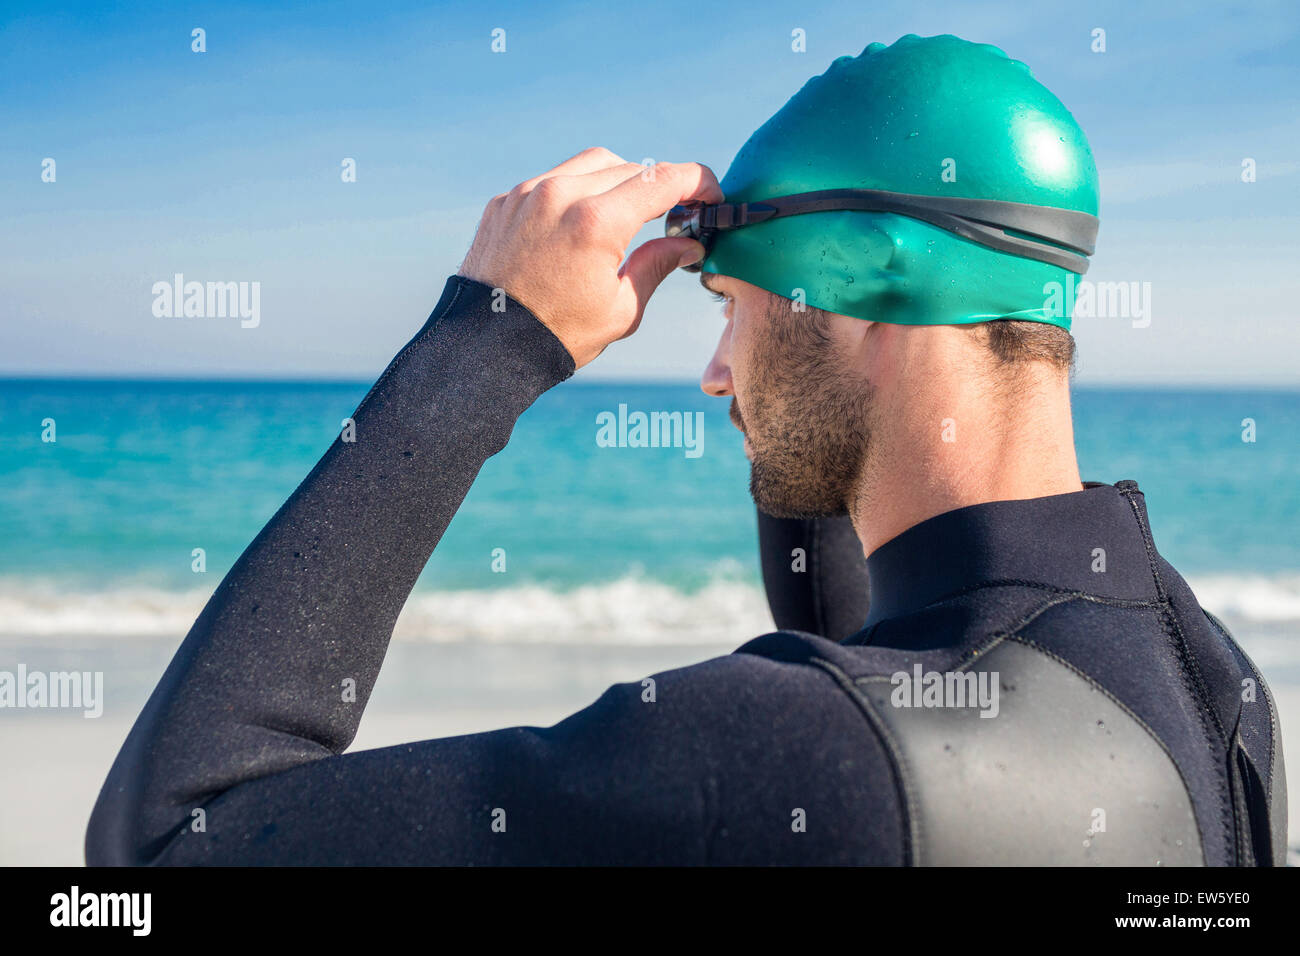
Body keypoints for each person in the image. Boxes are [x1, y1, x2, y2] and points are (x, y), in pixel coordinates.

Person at [86, 34, 1285, 866]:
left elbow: (160, 845)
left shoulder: (790, 753)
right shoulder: (1204, 678)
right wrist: (784, 330)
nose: (714, 373)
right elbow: (881, 629)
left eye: (727, 312)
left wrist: (486, 340)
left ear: (861, 281)